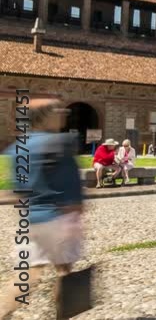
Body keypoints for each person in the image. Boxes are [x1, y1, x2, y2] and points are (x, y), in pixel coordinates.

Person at [0, 97, 84, 319]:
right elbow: (73, 187)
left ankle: (3, 312)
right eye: (57, 110)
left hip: (30, 220)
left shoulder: (18, 147)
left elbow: (17, 192)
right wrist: (76, 214)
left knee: (26, 275)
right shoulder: (62, 142)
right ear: (45, 116)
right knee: (64, 272)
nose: (63, 113)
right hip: (59, 218)